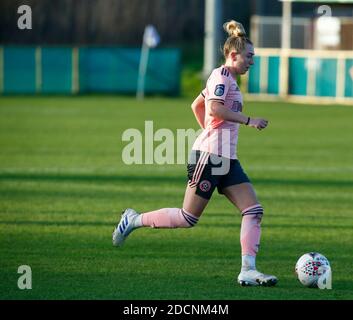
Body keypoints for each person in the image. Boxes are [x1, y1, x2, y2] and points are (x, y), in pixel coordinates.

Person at [112, 20, 278, 287]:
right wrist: (248, 121)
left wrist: (210, 131)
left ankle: (248, 270)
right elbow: (213, 109)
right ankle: (133, 219)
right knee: (188, 218)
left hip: (226, 159)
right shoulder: (222, 76)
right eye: (249, 57)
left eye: (253, 57)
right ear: (232, 55)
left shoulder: (227, 79)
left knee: (253, 210)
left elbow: (197, 104)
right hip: (210, 158)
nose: (252, 62)